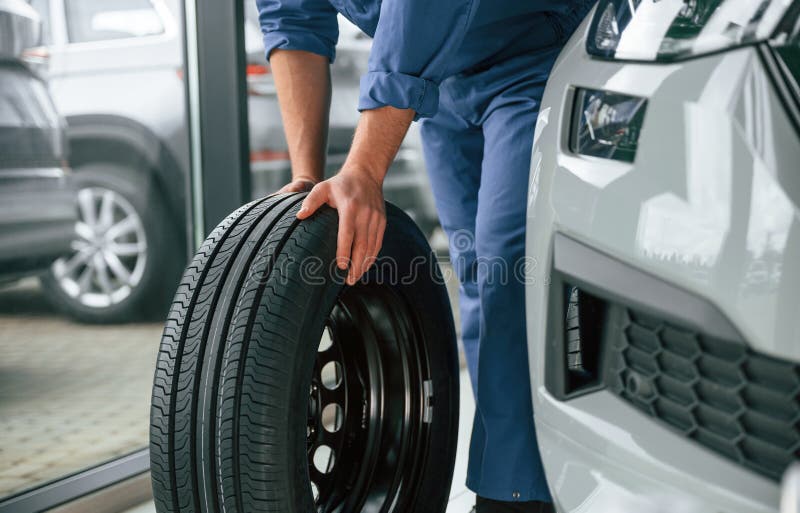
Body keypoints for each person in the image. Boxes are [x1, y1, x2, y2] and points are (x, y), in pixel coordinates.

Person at [255, 1, 592, 511]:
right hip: (445, 78)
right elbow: (293, 18)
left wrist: (364, 170)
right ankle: (518, 472)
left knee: (515, 274)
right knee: (480, 275)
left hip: (540, 48)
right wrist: (306, 176)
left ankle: (521, 498)